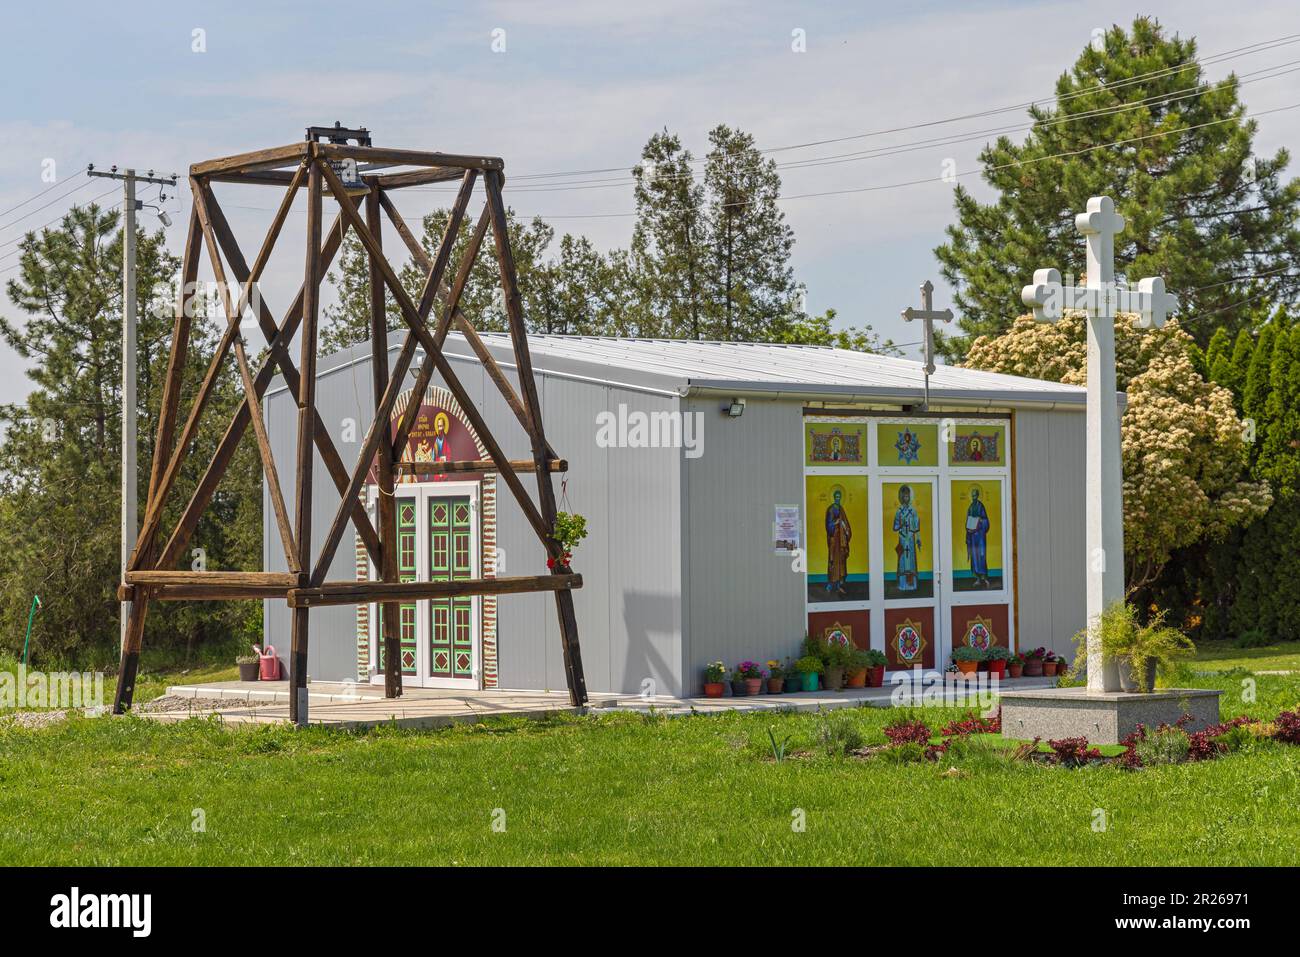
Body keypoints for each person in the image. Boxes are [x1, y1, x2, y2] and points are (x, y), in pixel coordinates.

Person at [824, 488, 852, 595]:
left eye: (839, 498)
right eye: (836, 497)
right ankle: (831, 583)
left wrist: (846, 529)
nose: (838, 499)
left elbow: (845, 523)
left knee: (841, 561)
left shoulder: (841, 509)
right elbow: (828, 526)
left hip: (841, 541)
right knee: (832, 560)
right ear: (833, 498)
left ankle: (839, 584)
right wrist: (836, 522)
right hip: (834, 541)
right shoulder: (830, 509)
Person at [893, 485, 920, 591]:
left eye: (908, 496)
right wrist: (900, 524)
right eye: (904, 496)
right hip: (903, 538)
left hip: (910, 538)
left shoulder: (913, 511)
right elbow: (895, 527)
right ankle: (903, 585)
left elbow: (916, 527)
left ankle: (912, 585)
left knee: (911, 561)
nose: (906, 498)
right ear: (901, 497)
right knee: (903, 561)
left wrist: (918, 539)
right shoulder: (898, 512)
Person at [965, 486, 991, 587]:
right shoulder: (970, 507)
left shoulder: (981, 506)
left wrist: (980, 520)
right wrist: (968, 529)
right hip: (972, 536)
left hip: (980, 536)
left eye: (975, 495)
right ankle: (977, 579)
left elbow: (986, 521)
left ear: (978, 495)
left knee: (981, 555)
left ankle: (984, 578)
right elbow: (968, 520)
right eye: (972, 496)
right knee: (974, 557)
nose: (973, 497)